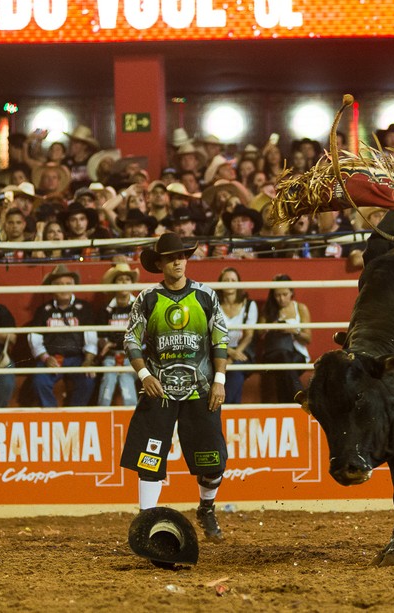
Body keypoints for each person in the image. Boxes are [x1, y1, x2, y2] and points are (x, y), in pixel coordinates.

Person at [119, 232, 230, 541]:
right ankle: (146, 521)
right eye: (171, 257)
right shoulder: (148, 298)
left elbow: (220, 339)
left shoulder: (206, 296)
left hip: (202, 388)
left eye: (182, 256)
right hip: (159, 390)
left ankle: (206, 508)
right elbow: (131, 339)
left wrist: (219, 381)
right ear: (160, 264)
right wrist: (144, 376)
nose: (178, 261)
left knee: (212, 459)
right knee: (149, 457)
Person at [28, 264, 98, 407]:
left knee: (88, 379)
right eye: (59, 284)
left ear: (74, 286)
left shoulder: (84, 308)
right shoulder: (43, 310)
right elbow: (34, 338)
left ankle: (75, 413)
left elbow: (91, 336)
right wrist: (46, 358)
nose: (64, 287)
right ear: (51, 288)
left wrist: (88, 360)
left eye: (67, 283)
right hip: (52, 358)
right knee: (39, 381)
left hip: (78, 358)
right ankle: (51, 414)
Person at [259, 274, 312, 404]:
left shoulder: (300, 308)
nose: (281, 299)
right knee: (283, 357)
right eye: (277, 295)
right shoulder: (268, 309)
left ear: (291, 292)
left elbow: (308, 338)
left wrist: (293, 330)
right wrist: (272, 327)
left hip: (297, 355)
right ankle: (299, 394)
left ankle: (286, 404)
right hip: (273, 354)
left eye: (284, 294)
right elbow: (259, 333)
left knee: (284, 365)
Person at [96, 260, 140, 407]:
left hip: (134, 356)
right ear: (114, 284)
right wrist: (107, 343)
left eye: (127, 279)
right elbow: (101, 336)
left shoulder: (139, 306)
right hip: (111, 356)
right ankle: (102, 417)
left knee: (126, 378)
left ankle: (129, 417)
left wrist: (113, 342)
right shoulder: (105, 309)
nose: (123, 283)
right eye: (120, 280)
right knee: (108, 380)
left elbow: (141, 335)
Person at [217, 267, 259, 404]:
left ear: (239, 283)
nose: (229, 283)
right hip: (219, 348)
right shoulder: (214, 304)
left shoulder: (249, 305)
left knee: (236, 371)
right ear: (220, 283)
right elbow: (210, 334)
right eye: (226, 280)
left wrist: (234, 355)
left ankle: (226, 408)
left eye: (233, 280)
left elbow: (248, 336)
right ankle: (232, 410)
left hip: (241, 349)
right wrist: (228, 352)